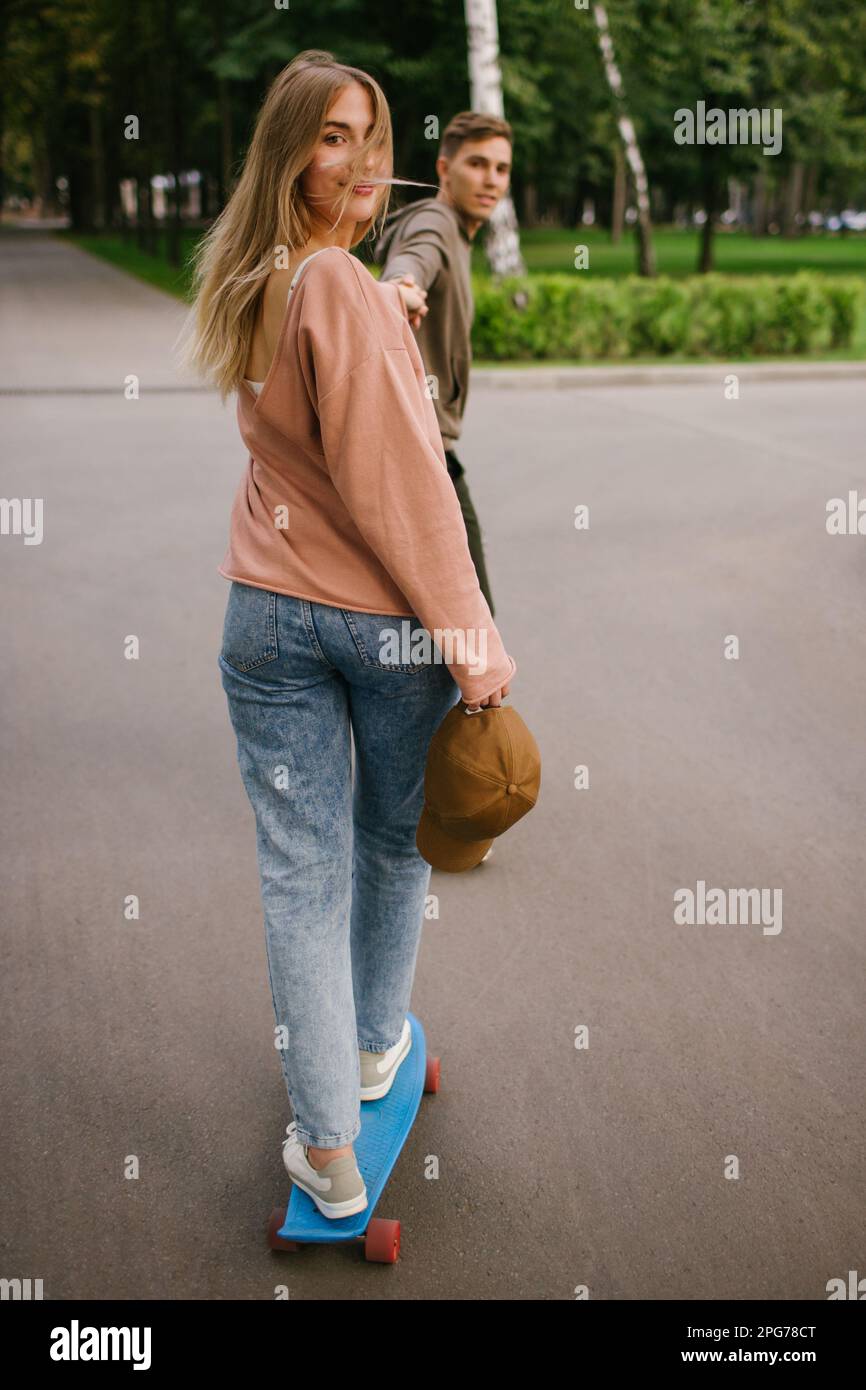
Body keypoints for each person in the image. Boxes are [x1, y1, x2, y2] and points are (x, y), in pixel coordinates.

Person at [179, 51, 516, 1220]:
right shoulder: (336, 287)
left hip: (261, 613)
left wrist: (388, 311)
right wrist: (474, 647)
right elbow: (401, 490)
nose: (363, 161)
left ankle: (324, 1140)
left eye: (371, 135)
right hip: (381, 630)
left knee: (298, 872)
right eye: (332, 138)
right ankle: (367, 1059)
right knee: (386, 846)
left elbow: (302, 449)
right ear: (291, 155)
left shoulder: (252, 274)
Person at [374, 111, 513, 618]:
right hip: (423, 455)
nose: (490, 180)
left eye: (501, 169)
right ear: (445, 168)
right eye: (477, 164)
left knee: (446, 625)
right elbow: (414, 260)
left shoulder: (458, 231)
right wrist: (403, 288)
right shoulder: (436, 221)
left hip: (428, 448)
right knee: (472, 623)